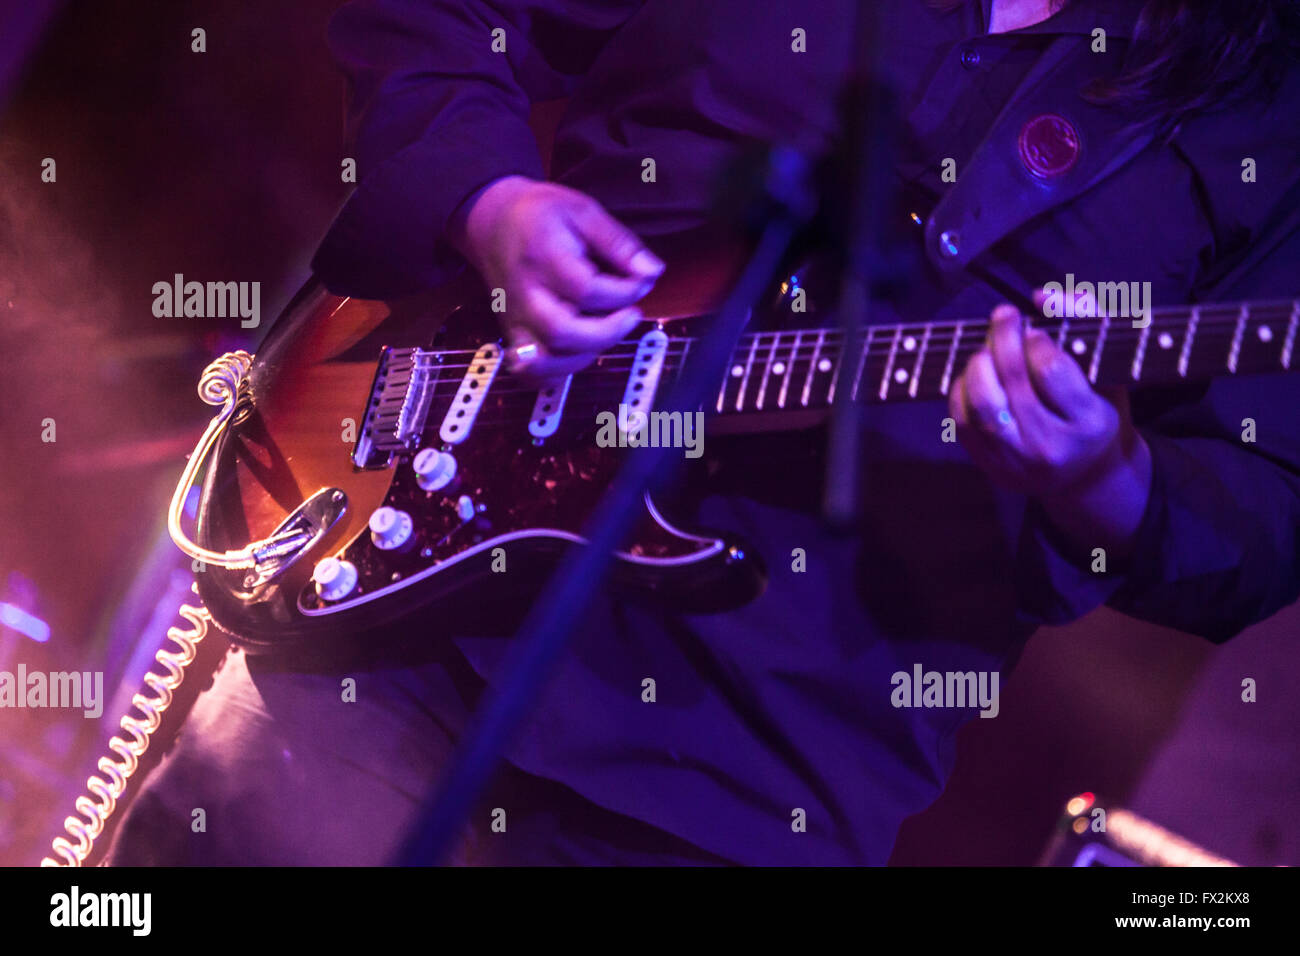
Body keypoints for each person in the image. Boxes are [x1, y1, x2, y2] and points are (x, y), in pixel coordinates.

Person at [106, 0, 1300, 865]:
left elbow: (1260, 506)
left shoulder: (1271, 108)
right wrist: (491, 203)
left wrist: (1107, 479)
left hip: (749, 780)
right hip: (405, 626)